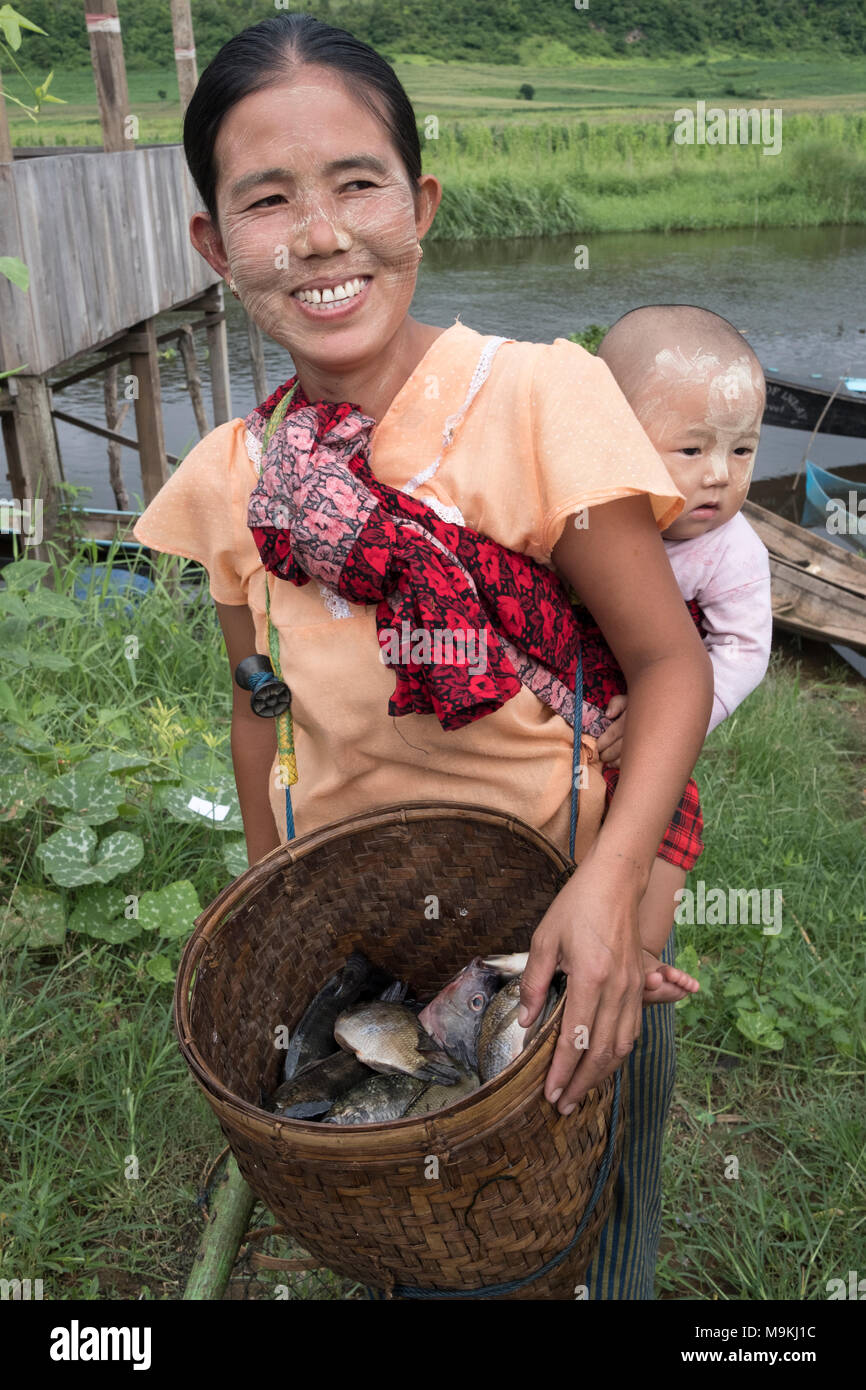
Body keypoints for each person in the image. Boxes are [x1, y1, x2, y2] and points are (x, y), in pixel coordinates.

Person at [132, 13, 713, 1299]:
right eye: (268, 200)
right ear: (215, 247)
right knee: (419, 1223)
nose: (322, 234)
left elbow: (669, 667)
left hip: (564, 918)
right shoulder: (227, 481)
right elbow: (257, 700)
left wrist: (611, 893)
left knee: (565, 1220)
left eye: (356, 184)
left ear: (421, 203)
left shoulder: (536, 401)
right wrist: (274, 902)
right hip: (378, 936)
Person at [593, 305, 773, 968]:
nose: (721, 474)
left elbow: (745, 649)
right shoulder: (585, 514)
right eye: (692, 449)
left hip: (650, 715)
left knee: (671, 812)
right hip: (564, 704)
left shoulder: (733, 551)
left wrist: (670, 718)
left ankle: (638, 956)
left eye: (743, 449)